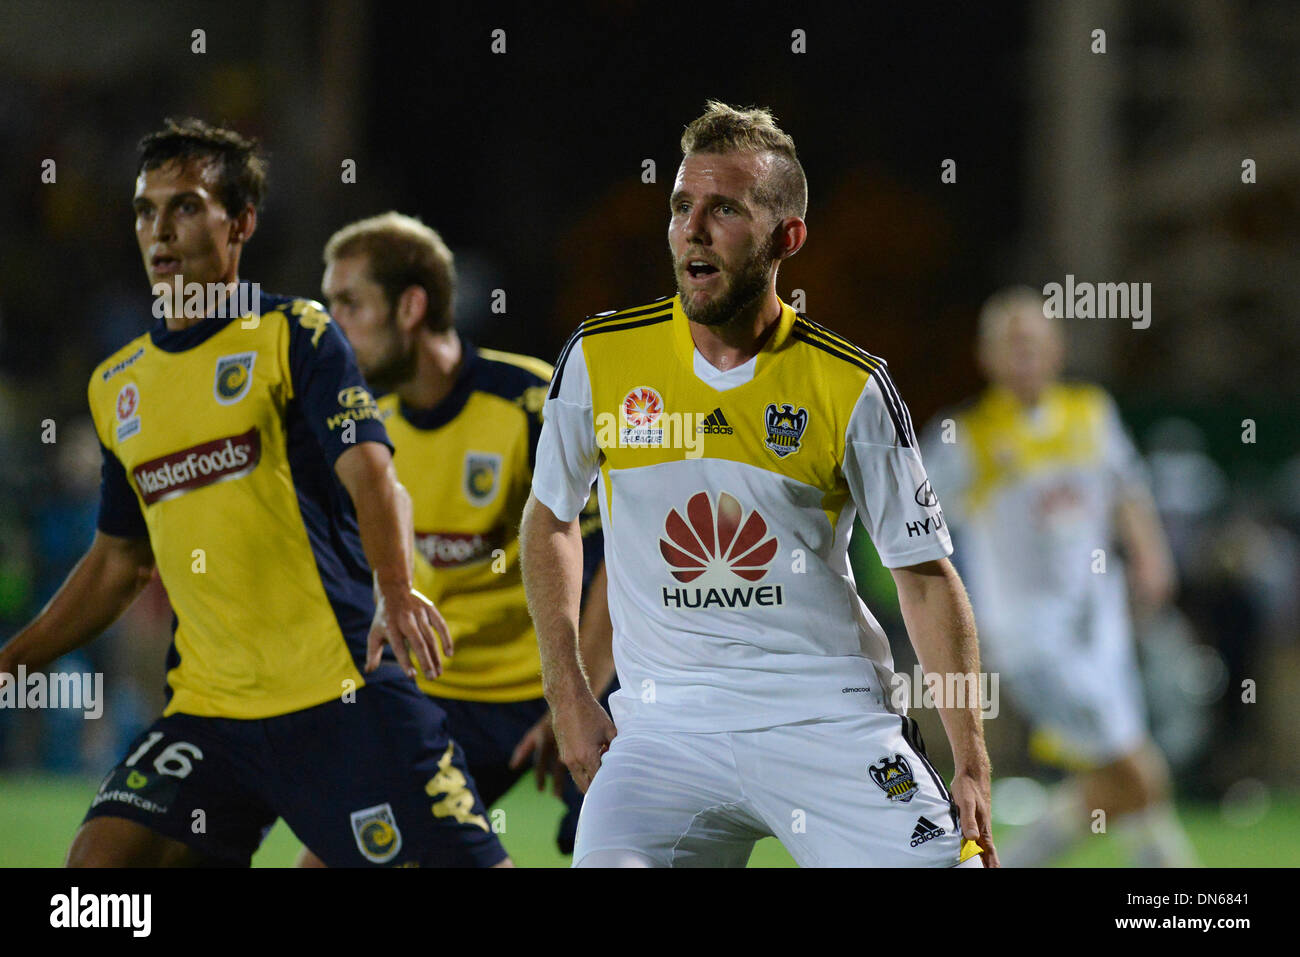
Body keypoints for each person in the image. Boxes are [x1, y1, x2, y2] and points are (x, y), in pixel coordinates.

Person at [0, 118, 508, 867]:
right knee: (99, 878)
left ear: (239, 223)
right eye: (146, 210)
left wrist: (396, 591)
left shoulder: (294, 334)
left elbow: (372, 471)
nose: (159, 230)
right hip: (211, 710)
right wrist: (14, 659)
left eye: (185, 206)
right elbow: (117, 563)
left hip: (338, 693)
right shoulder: (118, 386)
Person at [520, 101, 997, 868]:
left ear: (787, 237)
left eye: (725, 209)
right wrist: (569, 692)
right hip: (663, 733)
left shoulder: (851, 386)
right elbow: (549, 520)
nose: (692, 229)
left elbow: (926, 579)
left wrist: (970, 758)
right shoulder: (601, 359)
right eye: (681, 206)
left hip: (827, 721)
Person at [300, 212, 612, 865]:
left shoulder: (532, 403)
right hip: (442, 699)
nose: (332, 327)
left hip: (567, 680)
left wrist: (572, 694)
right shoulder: (364, 430)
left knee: (619, 845)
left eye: (349, 304)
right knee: (336, 856)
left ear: (411, 306)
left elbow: (615, 564)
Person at [920, 285, 1196, 867]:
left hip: (1103, 629)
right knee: (1137, 769)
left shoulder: (1091, 412)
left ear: (1057, 349)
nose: (1023, 353)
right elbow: (908, 524)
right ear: (986, 356)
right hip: (1030, 638)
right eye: (1009, 342)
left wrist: (1150, 556)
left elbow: (1127, 492)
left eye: (1033, 341)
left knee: (1124, 779)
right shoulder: (965, 436)